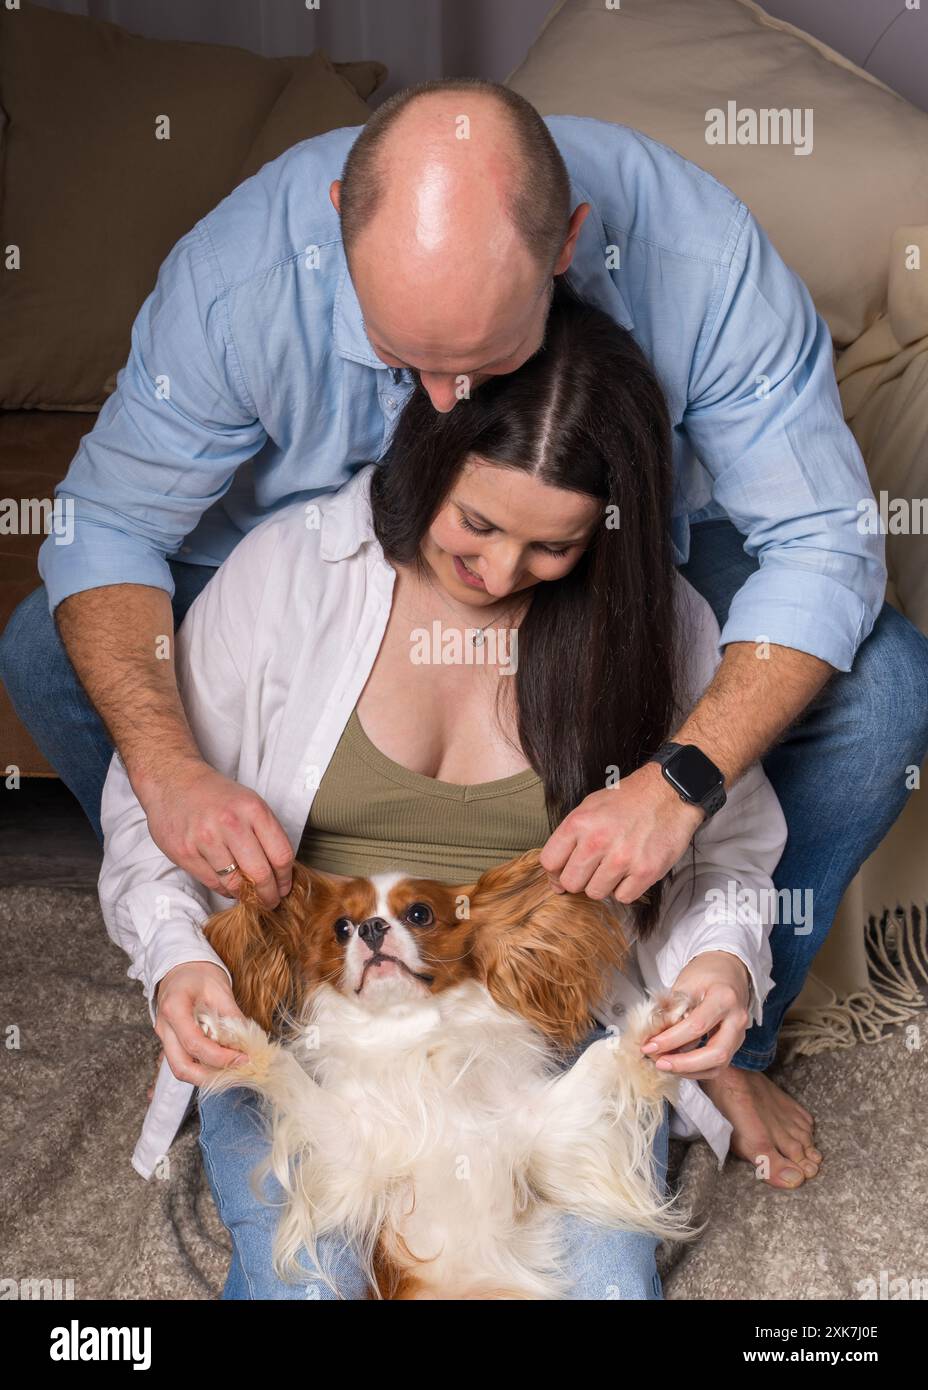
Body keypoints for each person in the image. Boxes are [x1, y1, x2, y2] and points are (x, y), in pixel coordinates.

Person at [3, 81, 927, 1190]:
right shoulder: (241, 273)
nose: (440, 408)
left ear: (568, 249)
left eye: (484, 365)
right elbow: (103, 524)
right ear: (341, 215)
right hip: (304, 546)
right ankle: (251, 964)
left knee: (881, 694)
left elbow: (826, 544)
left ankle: (701, 1038)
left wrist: (679, 780)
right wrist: (169, 772)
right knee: (53, 651)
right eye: (406, 357)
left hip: (613, 538)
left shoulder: (698, 257)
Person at [98, 283, 788, 1298]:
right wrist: (173, 962)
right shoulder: (290, 574)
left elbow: (726, 854)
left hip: (549, 1022)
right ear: (428, 461)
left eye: (553, 546)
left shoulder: (656, 623)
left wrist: (722, 966)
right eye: (476, 525)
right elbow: (151, 805)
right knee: (312, 1286)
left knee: (602, 1289)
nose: (503, 571)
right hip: (307, 1023)